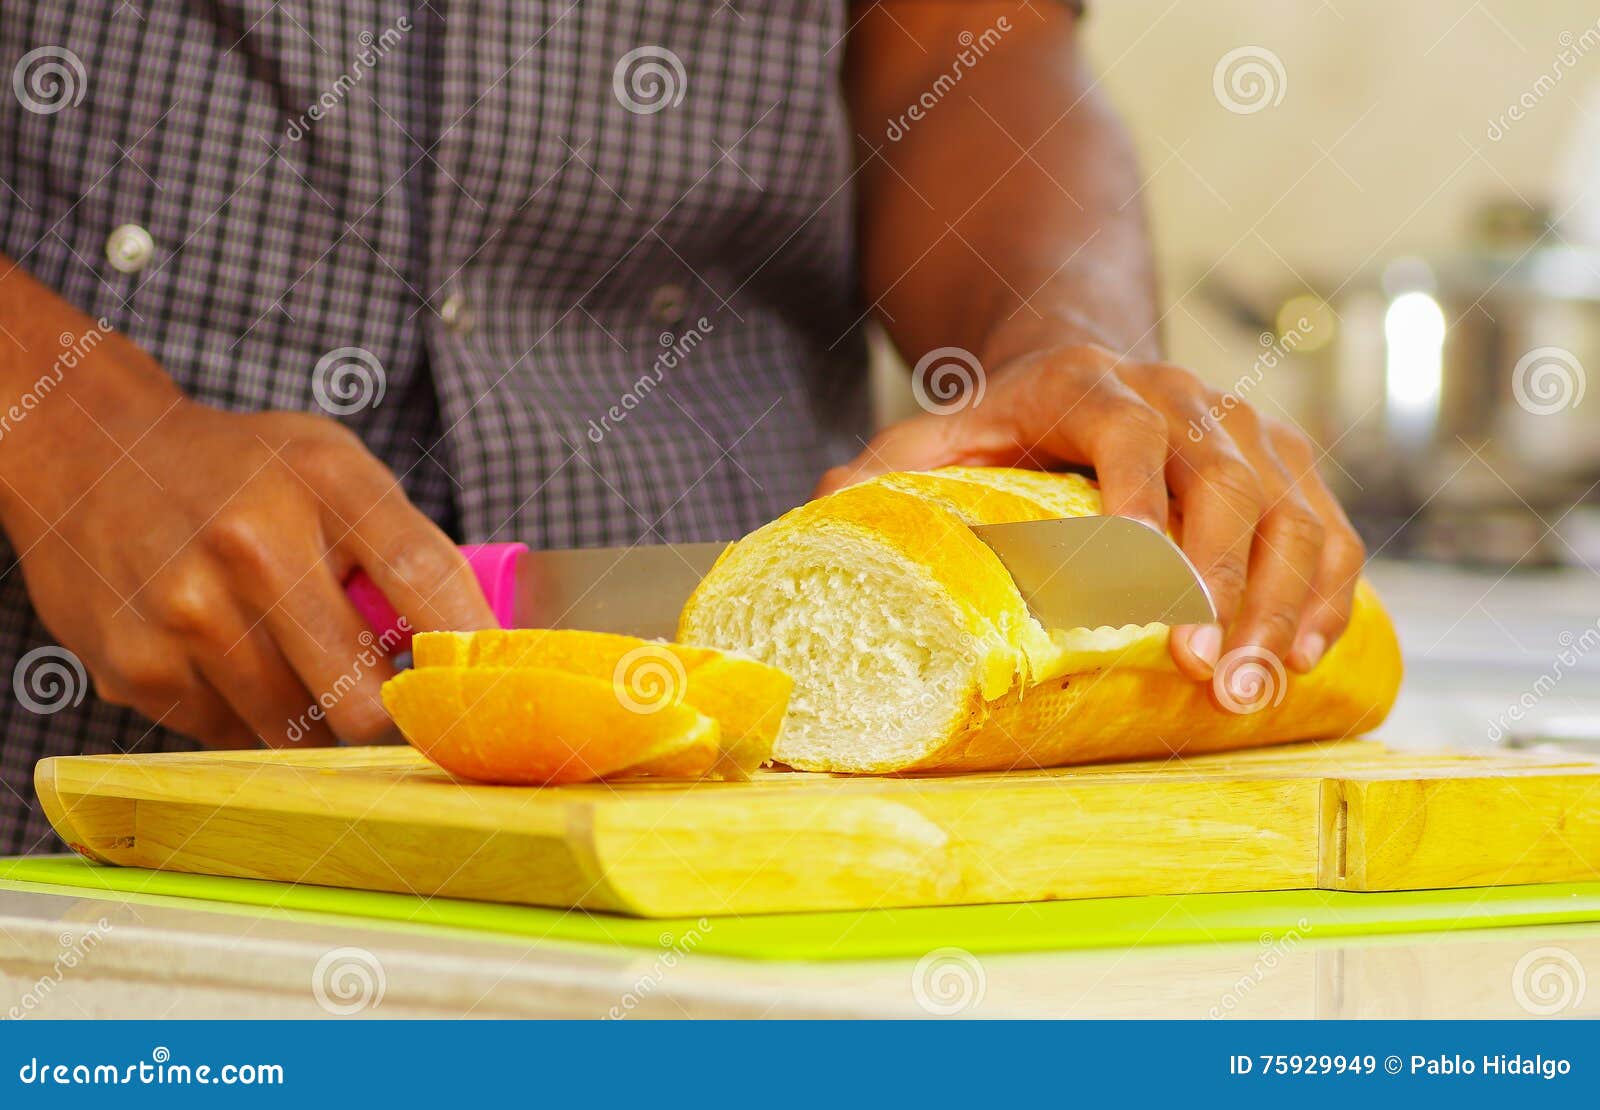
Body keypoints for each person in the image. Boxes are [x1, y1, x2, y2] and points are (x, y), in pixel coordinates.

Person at [0, 2, 1364, 852]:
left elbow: (969, 37)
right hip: (67, 758)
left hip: (748, 824)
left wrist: (1068, 337)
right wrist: (52, 420)